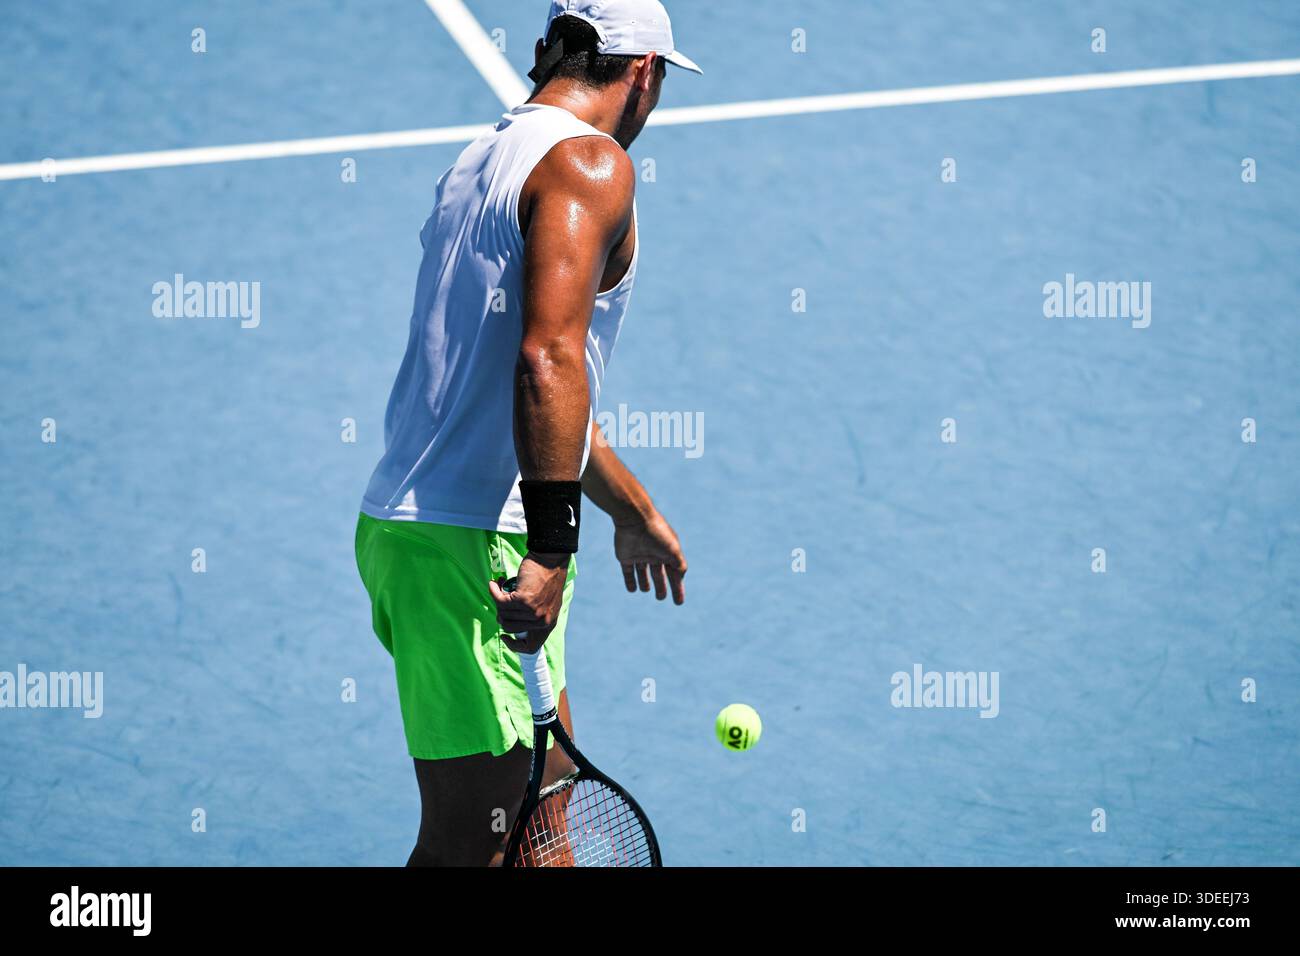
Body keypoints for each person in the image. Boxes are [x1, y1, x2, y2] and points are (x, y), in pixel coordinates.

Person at [354, 0, 699, 866]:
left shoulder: (481, 162)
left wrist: (629, 507)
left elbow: (516, 377)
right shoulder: (591, 163)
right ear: (645, 73)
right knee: (472, 843)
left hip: (441, 534)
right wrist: (552, 550)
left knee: (544, 826)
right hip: (483, 549)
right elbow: (548, 361)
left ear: (549, 52)